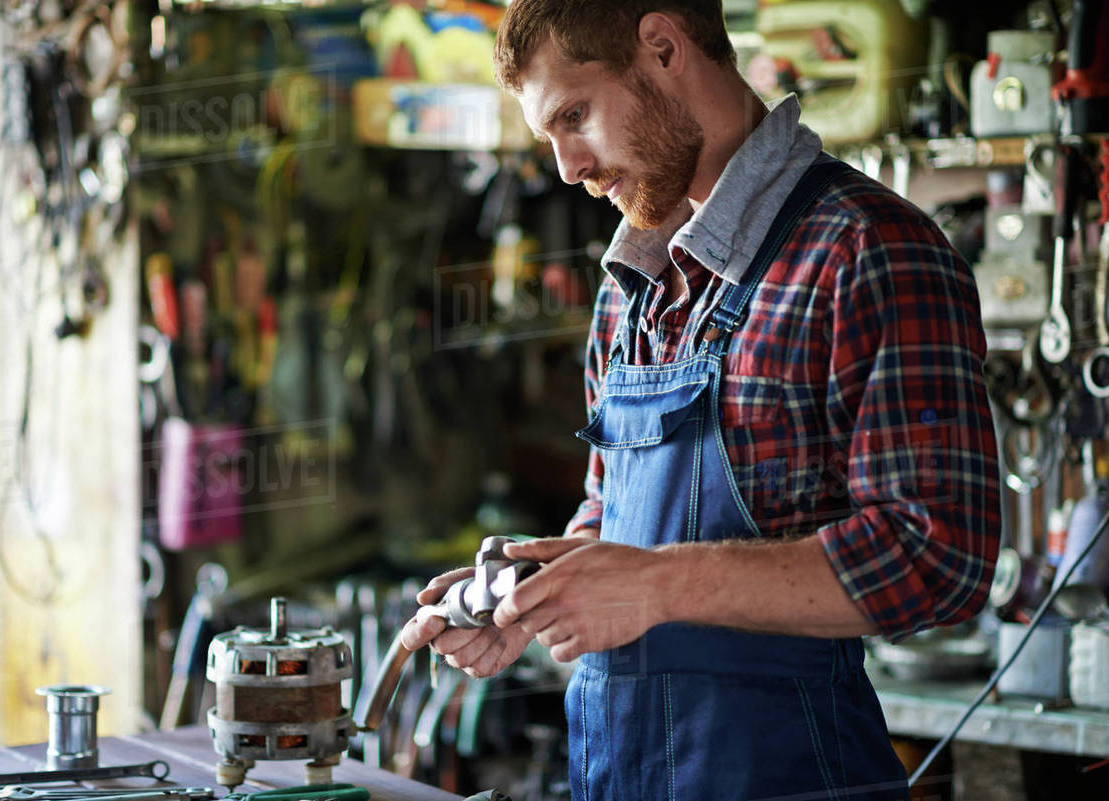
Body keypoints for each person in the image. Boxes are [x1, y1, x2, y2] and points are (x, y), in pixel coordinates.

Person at [402, 2, 1001, 799]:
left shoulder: (867, 251)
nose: (566, 168)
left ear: (662, 46)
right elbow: (611, 514)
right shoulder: (632, 293)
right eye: (548, 136)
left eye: (574, 116)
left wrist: (655, 582)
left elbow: (938, 556)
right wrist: (528, 594)